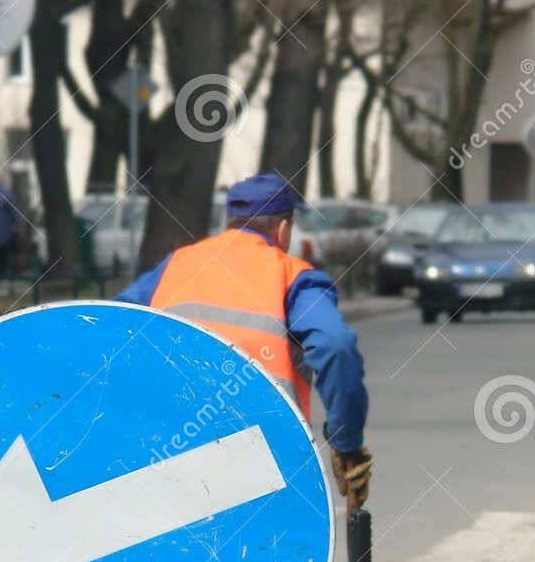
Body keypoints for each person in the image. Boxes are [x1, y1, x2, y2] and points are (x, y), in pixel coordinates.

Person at [115, 173, 371, 507]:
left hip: (166, 444)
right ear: (282, 229)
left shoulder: (176, 265)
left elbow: (110, 325)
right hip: (262, 452)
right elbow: (335, 346)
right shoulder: (292, 276)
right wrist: (346, 442)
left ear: (230, 222)